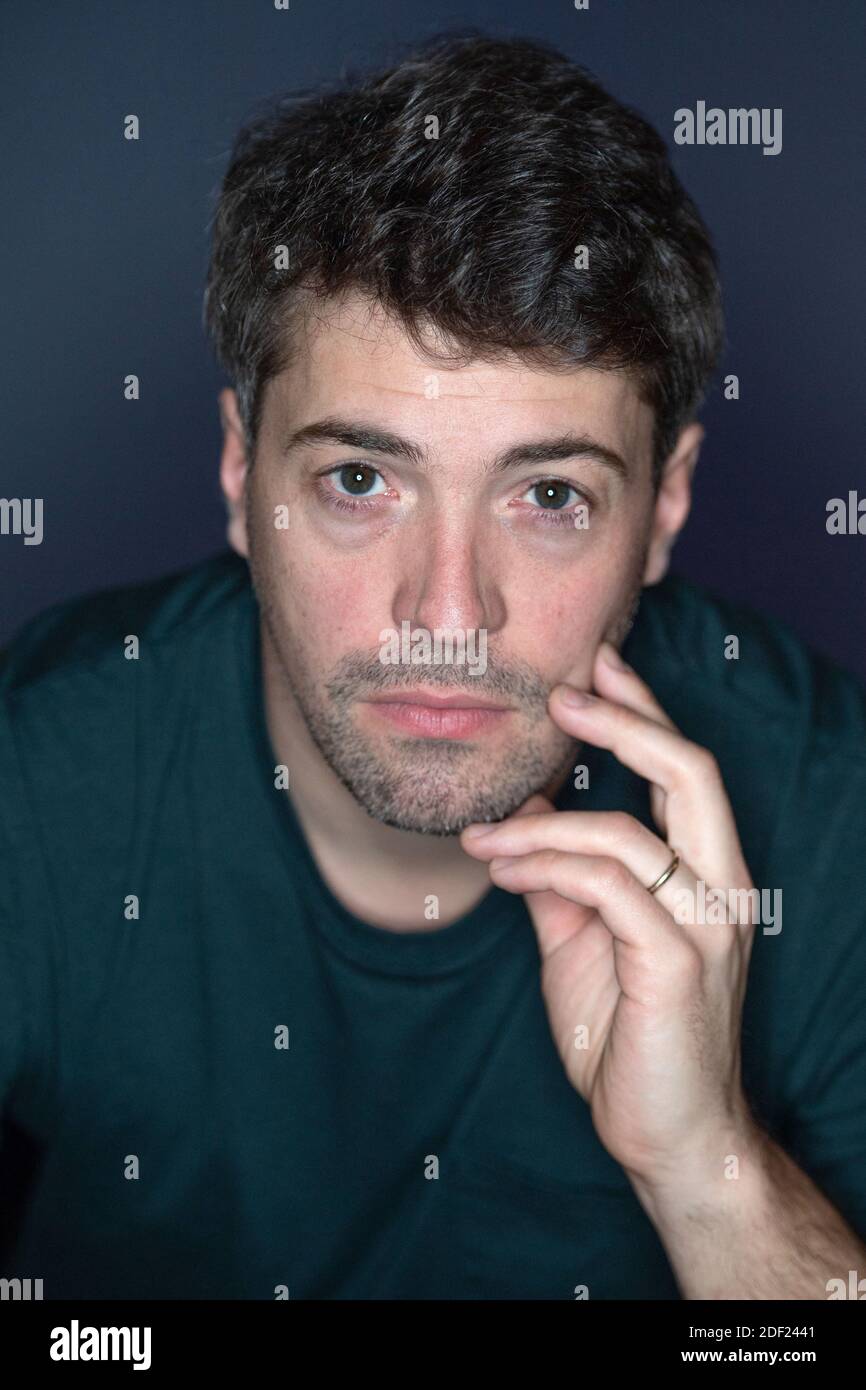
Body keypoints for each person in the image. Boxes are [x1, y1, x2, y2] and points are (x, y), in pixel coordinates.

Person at [2, 33, 865, 1301]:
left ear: (665, 507)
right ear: (243, 474)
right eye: (360, 481)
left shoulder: (822, 801)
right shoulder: (40, 767)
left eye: (550, 496)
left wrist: (704, 1166)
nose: (447, 613)